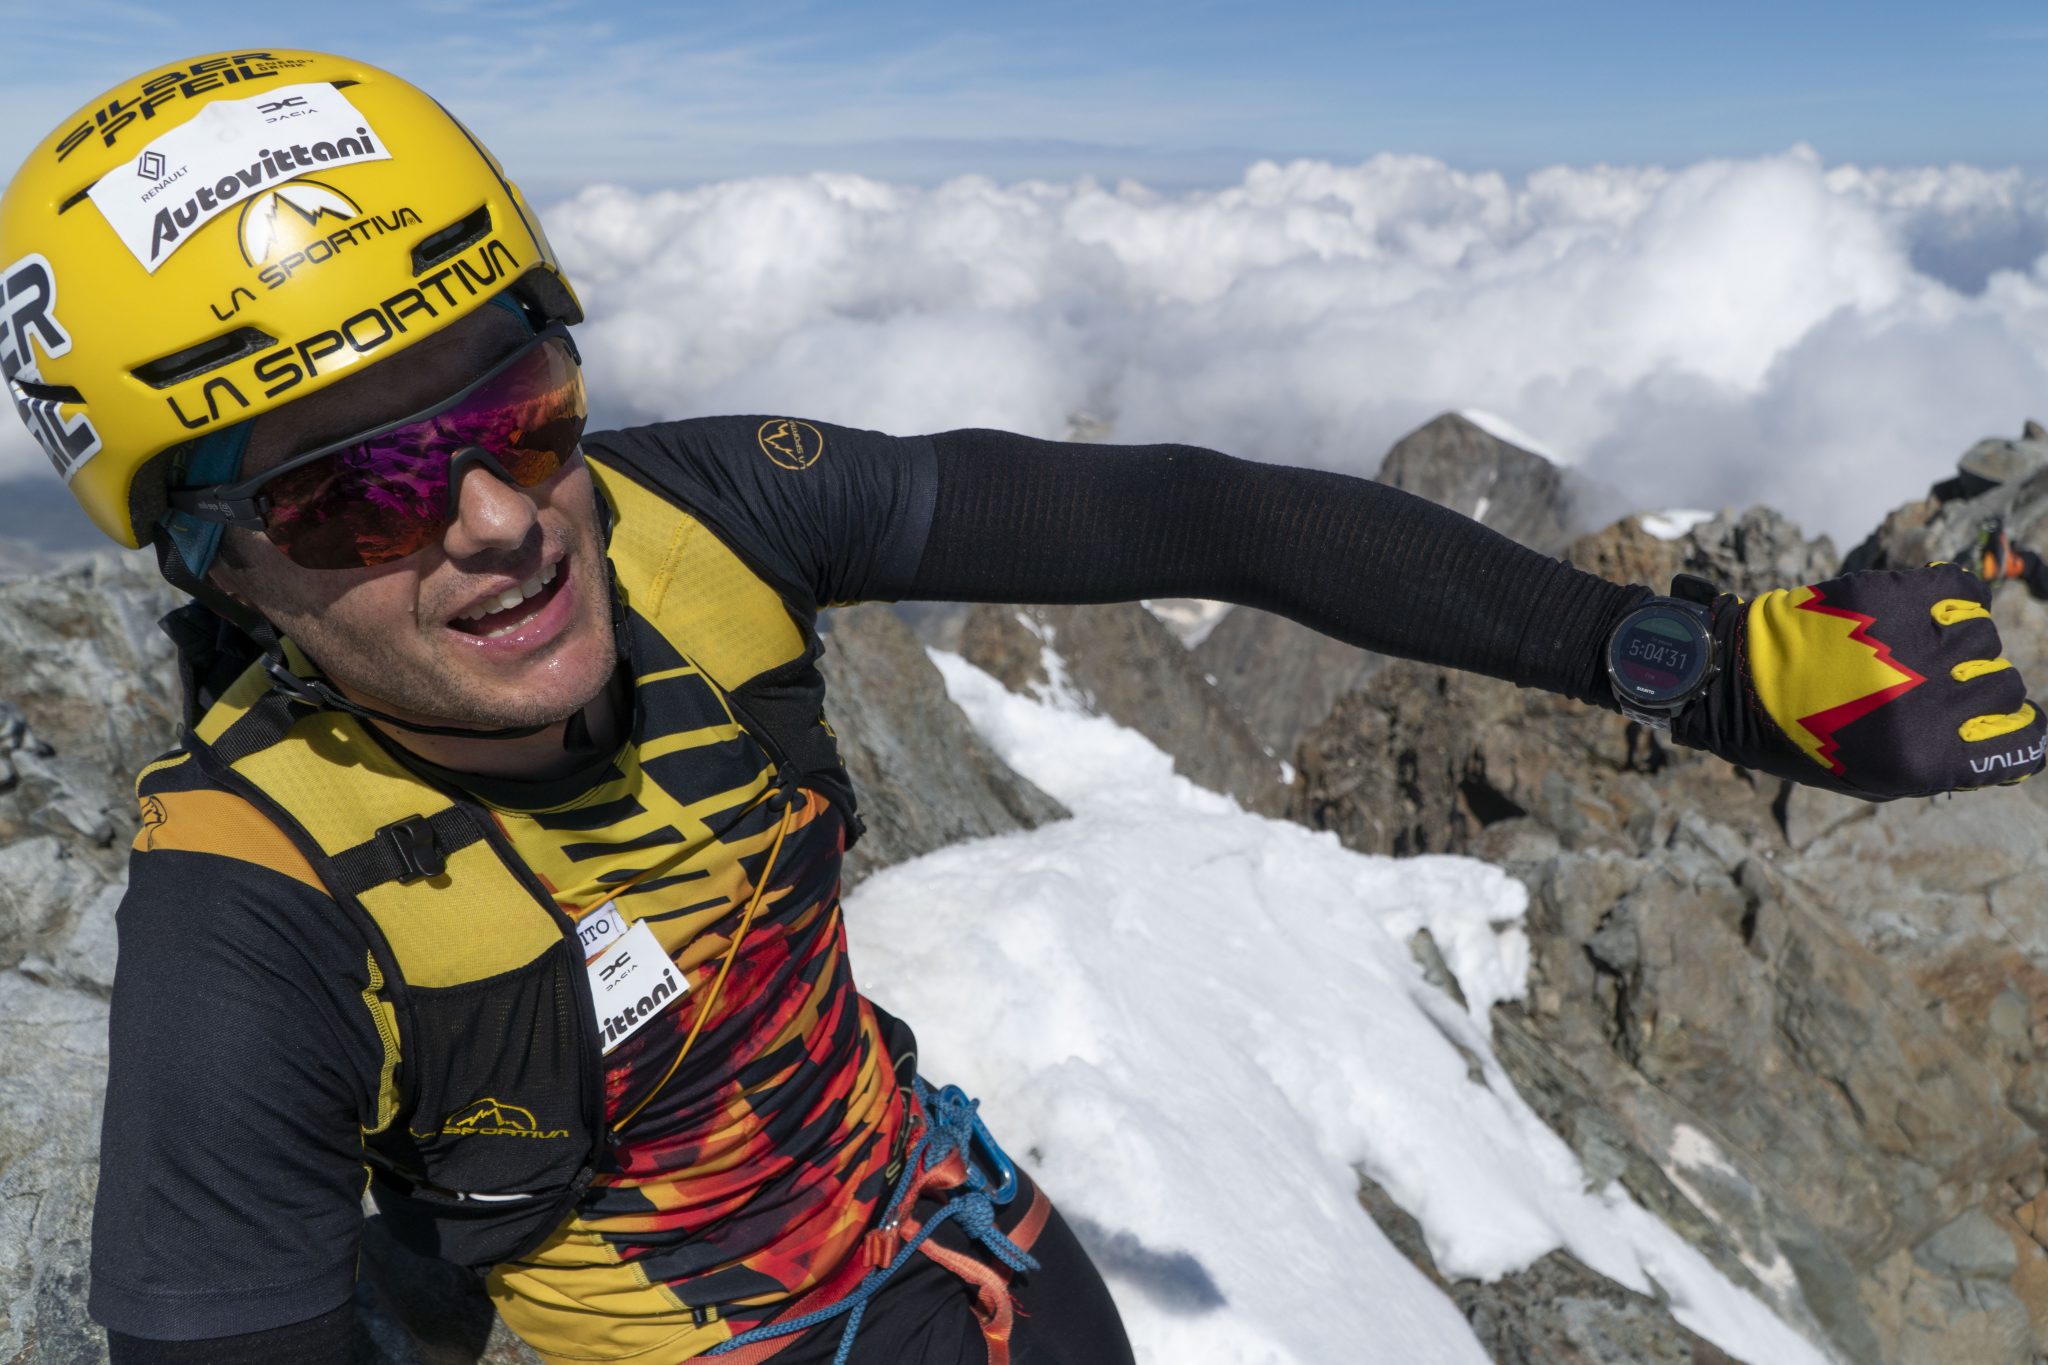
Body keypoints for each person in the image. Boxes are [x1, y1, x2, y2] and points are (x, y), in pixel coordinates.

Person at [3, 48, 2041, 1365]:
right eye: (349, 488)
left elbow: (1199, 510)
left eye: (521, 412)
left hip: (967, 1233)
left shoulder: (700, 519)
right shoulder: (248, 914)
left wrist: (1703, 668)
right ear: (208, 561)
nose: (496, 526)